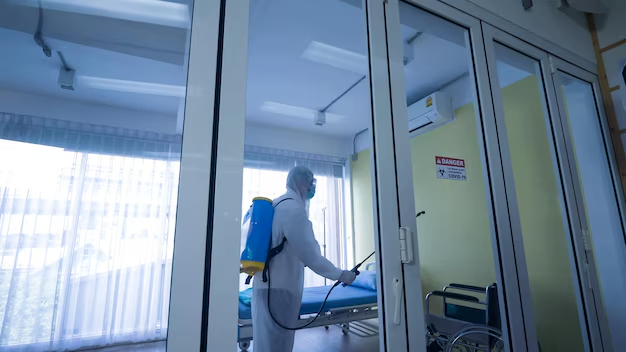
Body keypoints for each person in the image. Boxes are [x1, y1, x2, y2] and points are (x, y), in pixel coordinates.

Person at [251, 166, 356, 352]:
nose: (312, 188)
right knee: (278, 344)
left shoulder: (277, 204)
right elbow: (311, 256)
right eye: (311, 183)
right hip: (280, 291)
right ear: (301, 183)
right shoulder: (294, 210)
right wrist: (342, 275)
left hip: (262, 286)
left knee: (264, 342)